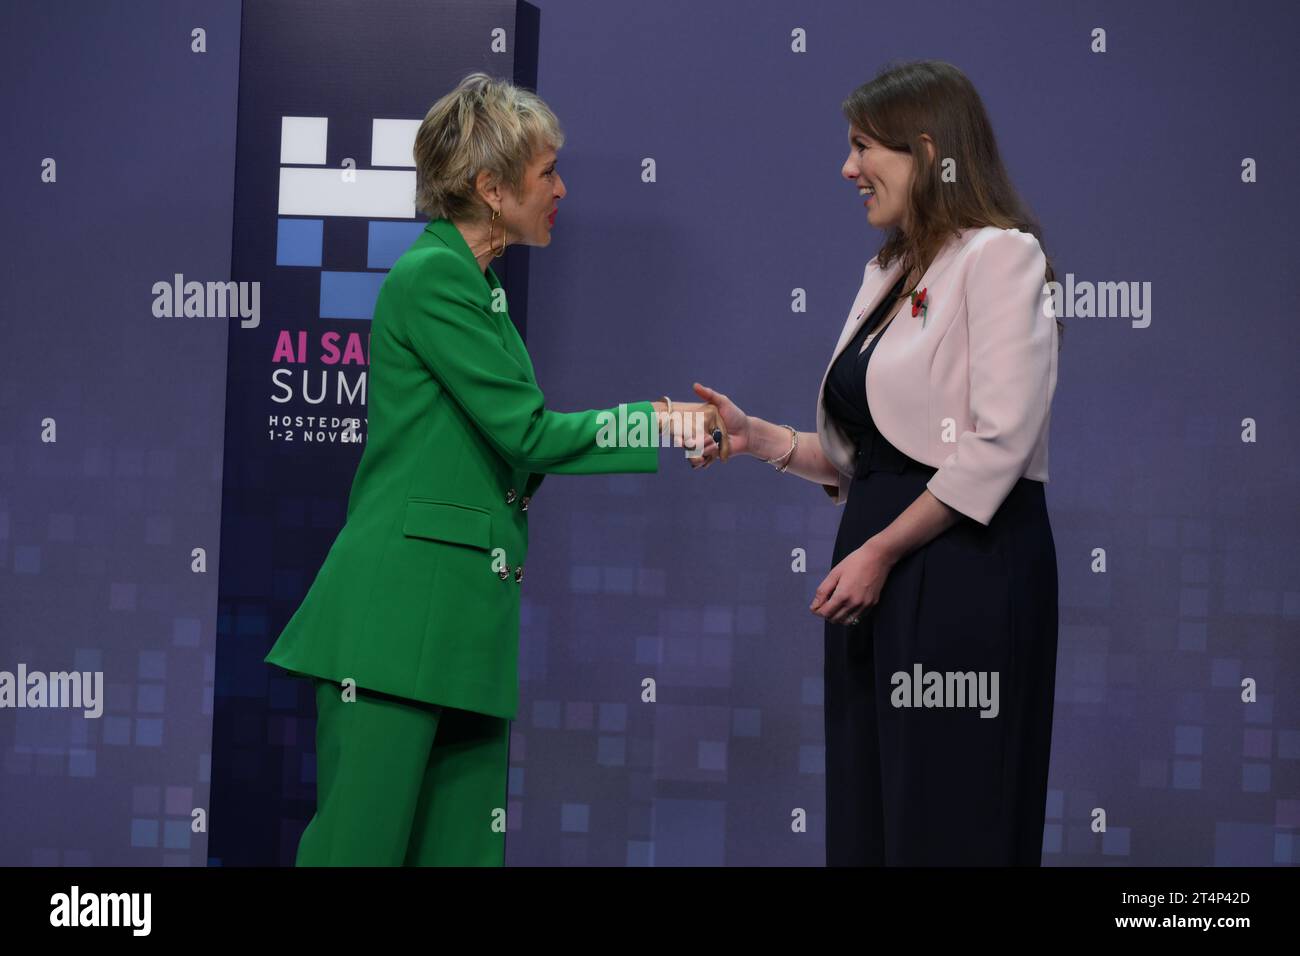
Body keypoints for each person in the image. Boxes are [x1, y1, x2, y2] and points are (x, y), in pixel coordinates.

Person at [264, 73, 722, 866]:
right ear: (490, 186)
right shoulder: (435, 278)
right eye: (547, 173)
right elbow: (529, 435)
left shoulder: (482, 289)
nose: (561, 189)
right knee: (357, 853)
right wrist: (664, 420)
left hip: (463, 632)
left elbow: (504, 455)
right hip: (396, 627)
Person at [692, 60, 1062, 866]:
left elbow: (995, 445)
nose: (847, 168)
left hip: (963, 572)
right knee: (873, 815)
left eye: (863, 148)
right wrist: (757, 437)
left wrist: (883, 549)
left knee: (950, 815)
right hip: (875, 578)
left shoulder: (1001, 257)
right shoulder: (892, 272)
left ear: (927, 151)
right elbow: (881, 455)